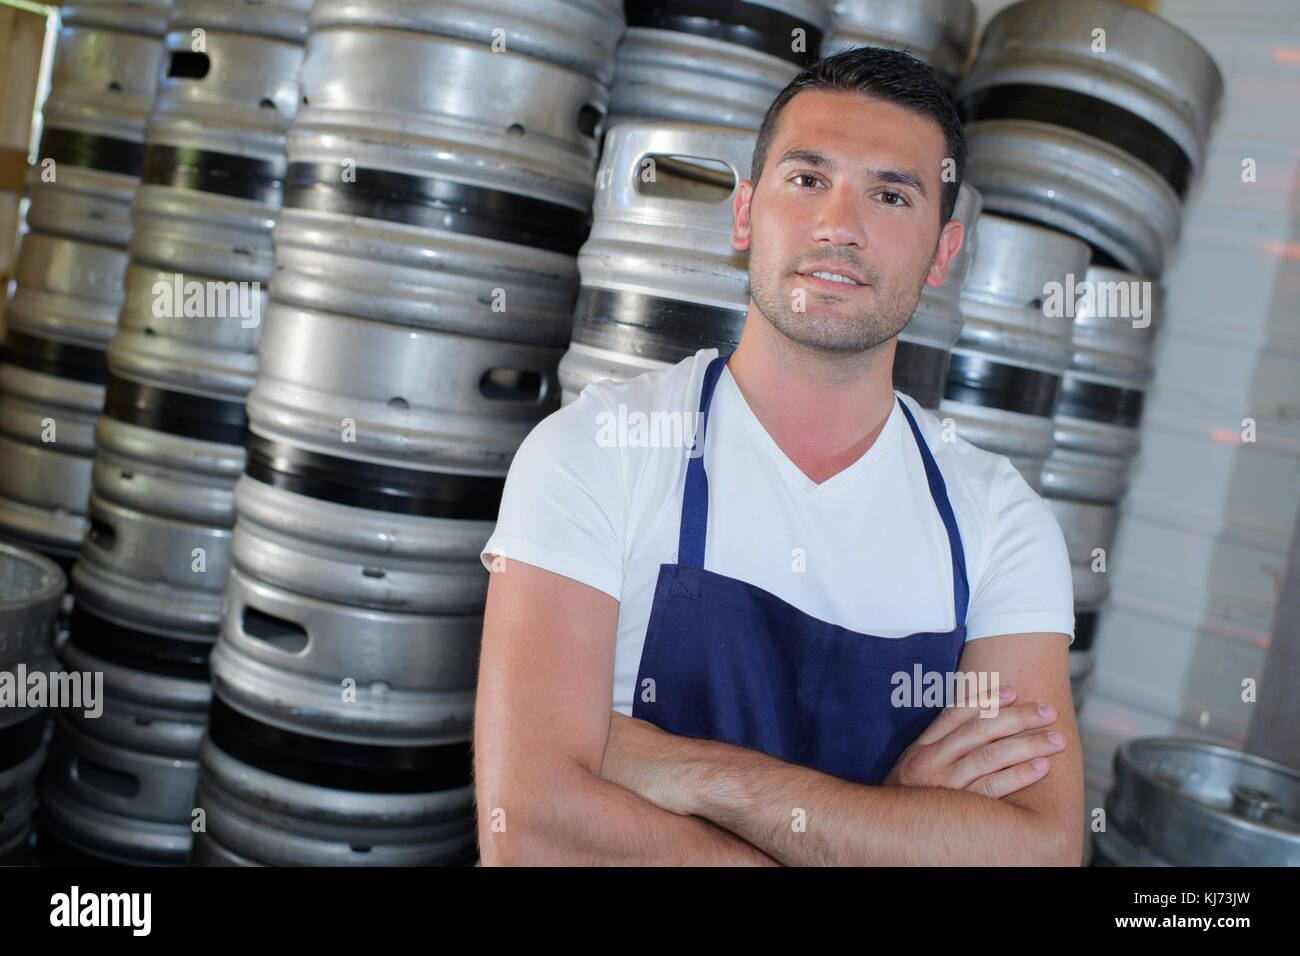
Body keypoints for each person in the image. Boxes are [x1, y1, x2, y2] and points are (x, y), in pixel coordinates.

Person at [473, 46, 1082, 866]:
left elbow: (1038, 849)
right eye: (806, 179)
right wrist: (889, 825)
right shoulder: (596, 452)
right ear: (744, 214)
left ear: (943, 254)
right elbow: (533, 826)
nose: (841, 225)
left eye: (891, 195)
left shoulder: (1001, 523)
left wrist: (692, 773)